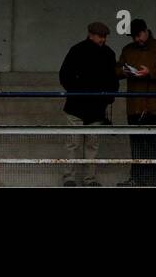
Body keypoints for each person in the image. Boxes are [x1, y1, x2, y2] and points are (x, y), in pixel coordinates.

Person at [116, 17, 156, 186]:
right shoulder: (128, 49)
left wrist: (151, 72)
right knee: (136, 146)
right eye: (134, 37)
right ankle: (137, 179)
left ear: (145, 31)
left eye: (139, 35)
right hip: (135, 106)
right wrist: (124, 71)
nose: (137, 39)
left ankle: (154, 180)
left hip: (154, 106)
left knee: (154, 145)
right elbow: (117, 69)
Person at [58, 21, 118, 187]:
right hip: (90, 107)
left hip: (79, 105)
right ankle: (83, 179)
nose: (103, 39)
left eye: (104, 37)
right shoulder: (106, 53)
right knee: (82, 145)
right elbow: (65, 75)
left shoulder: (78, 50)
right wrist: (108, 97)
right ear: (91, 34)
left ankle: (73, 178)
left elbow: (65, 76)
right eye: (101, 36)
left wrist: (77, 91)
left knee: (80, 144)